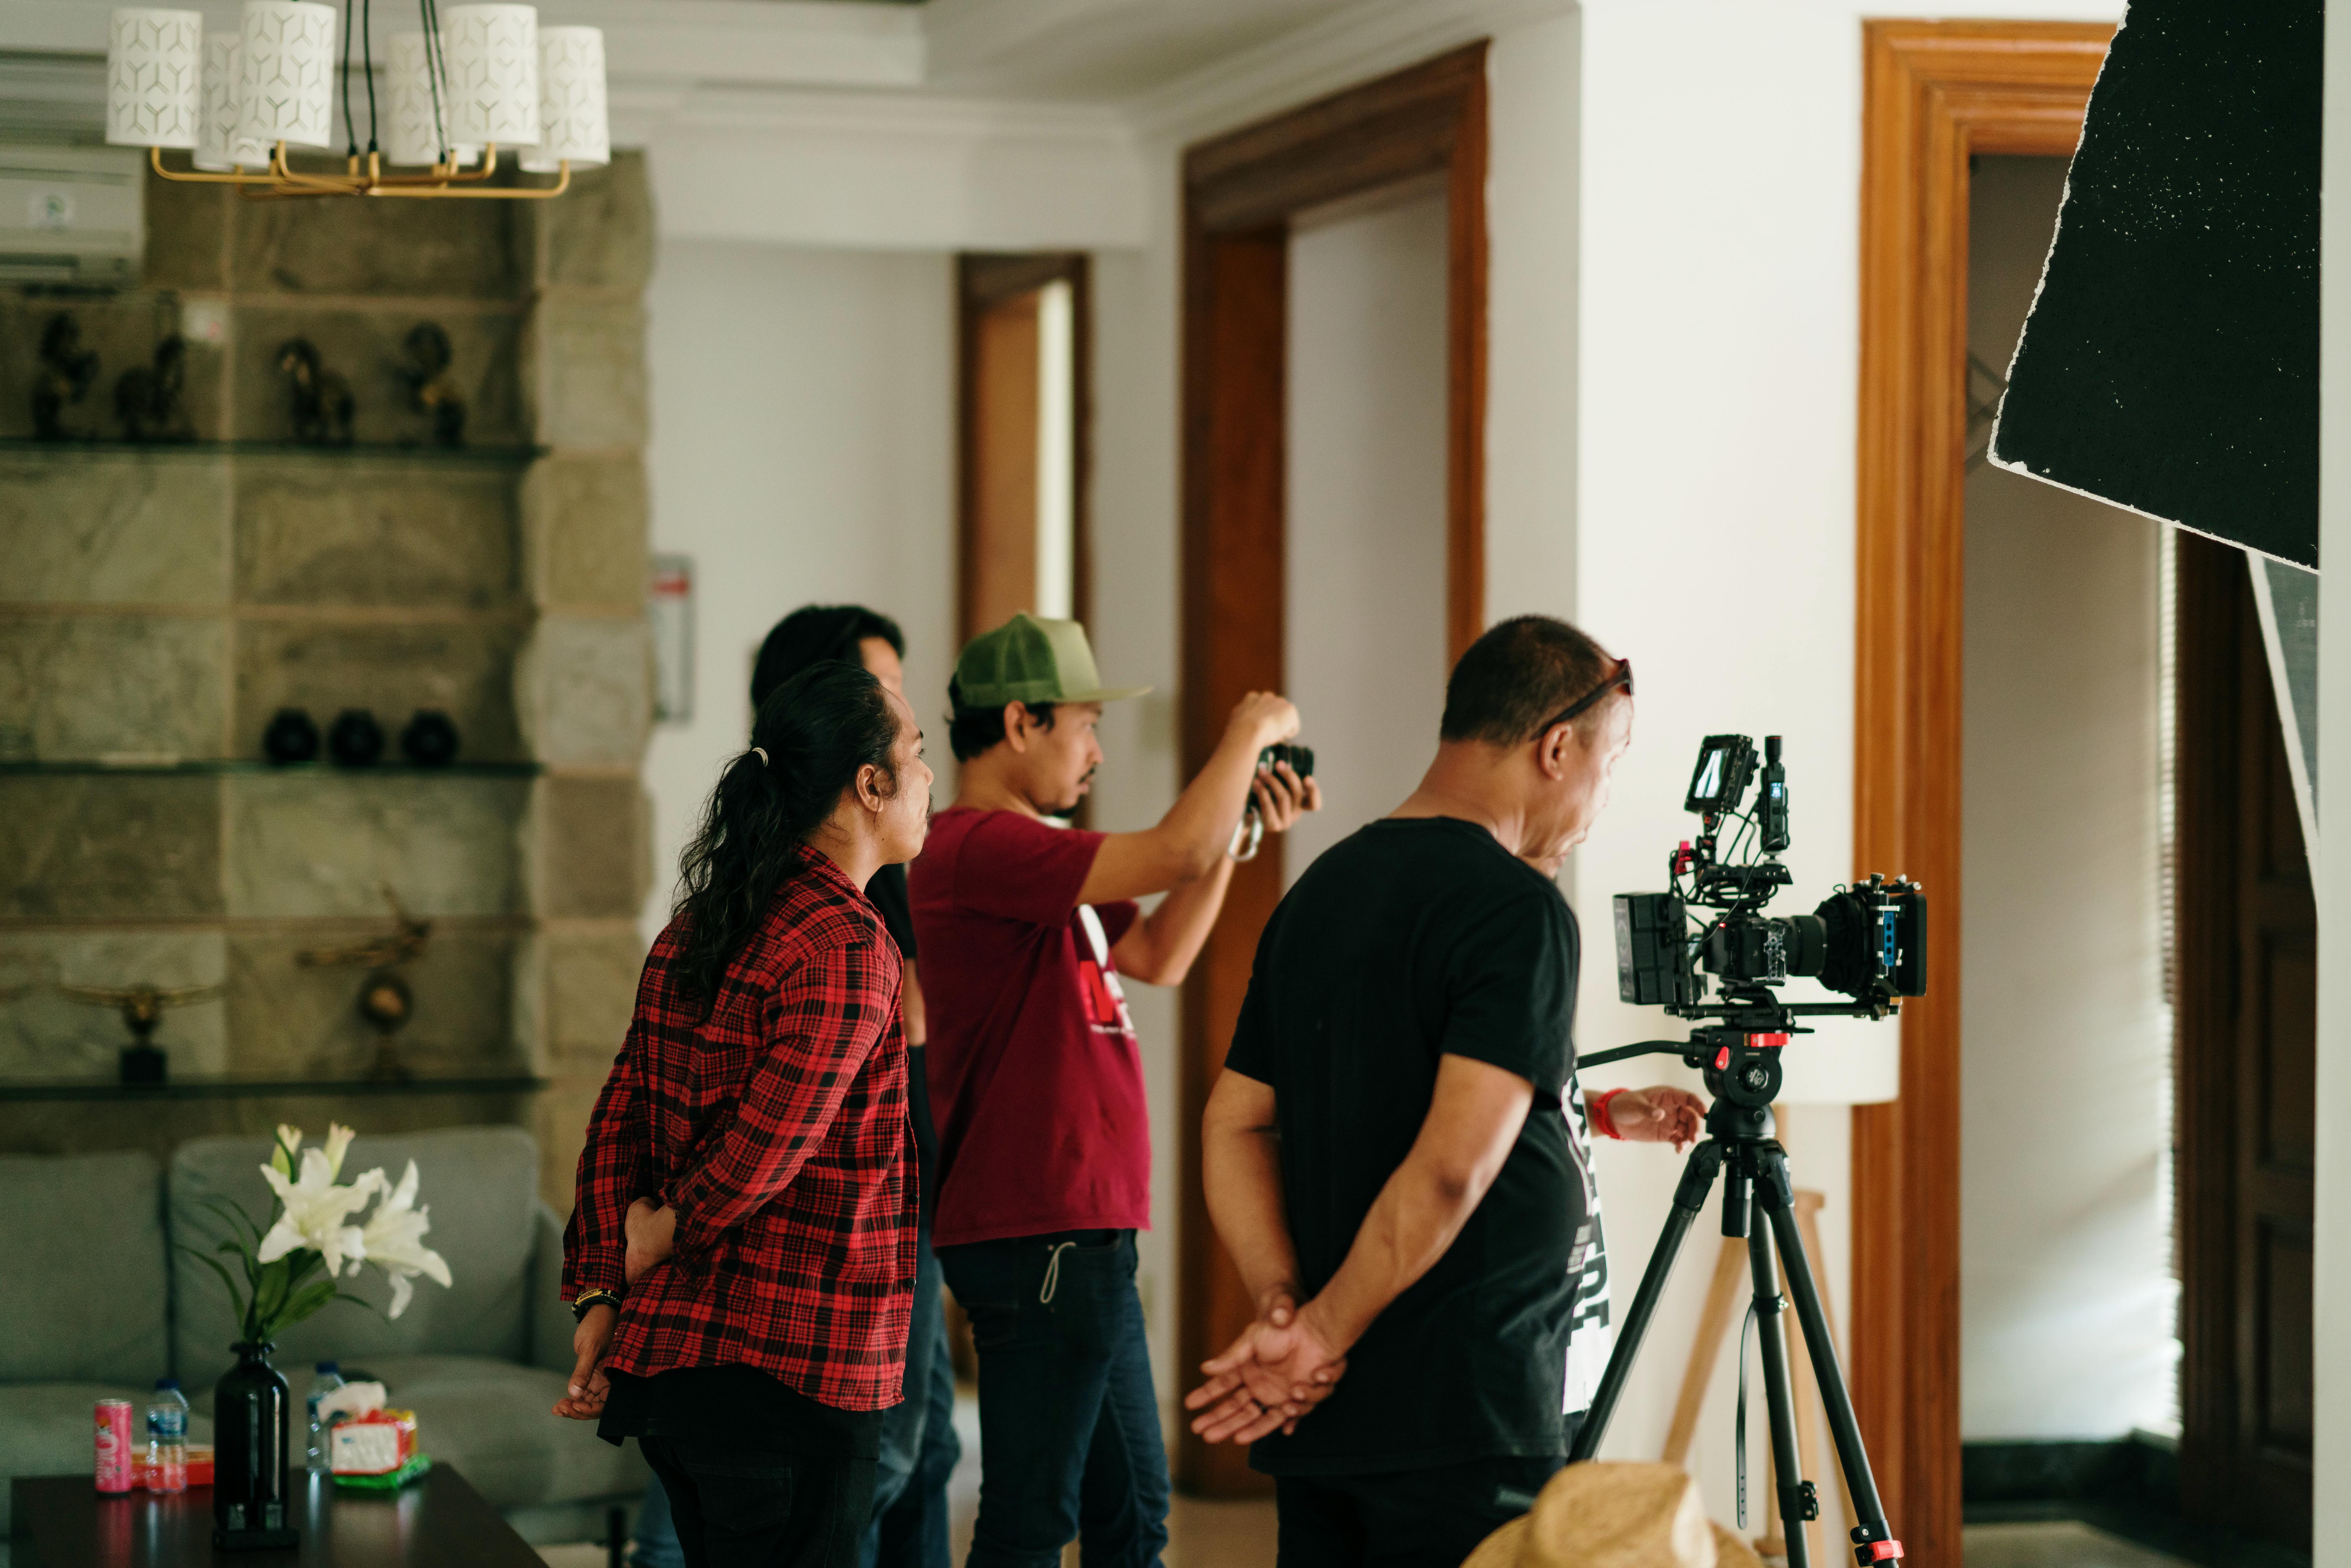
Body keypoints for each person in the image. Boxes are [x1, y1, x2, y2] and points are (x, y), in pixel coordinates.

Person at [1184, 614, 1706, 1568]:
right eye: (1610, 760)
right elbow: (1449, 1173)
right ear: (1556, 748)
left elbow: (1235, 1122)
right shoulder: (1516, 910)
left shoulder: (1324, 889)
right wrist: (1318, 1337)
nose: (1602, 794)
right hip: (1466, 1408)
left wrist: (1283, 1307)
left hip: (1330, 1419)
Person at [910, 613, 1318, 1568]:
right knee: (1030, 1519)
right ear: (1020, 724)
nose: (1096, 750)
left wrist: (1241, 830)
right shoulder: (979, 846)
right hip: (1039, 1231)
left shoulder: (1034, 860)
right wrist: (1245, 733)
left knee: (1133, 1514)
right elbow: (1173, 850)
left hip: (1081, 1232)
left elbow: (1163, 952)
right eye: (1084, 725)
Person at [556, 658, 932, 1568]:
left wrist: (603, 1285)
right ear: (870, 785)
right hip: (790, 1380)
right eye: (919, 756)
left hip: (685, 1380)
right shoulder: (847, 939)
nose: (929, 780)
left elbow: (621, 1117)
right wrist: (663, 1233)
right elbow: (776, 1140)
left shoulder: (699, 923)